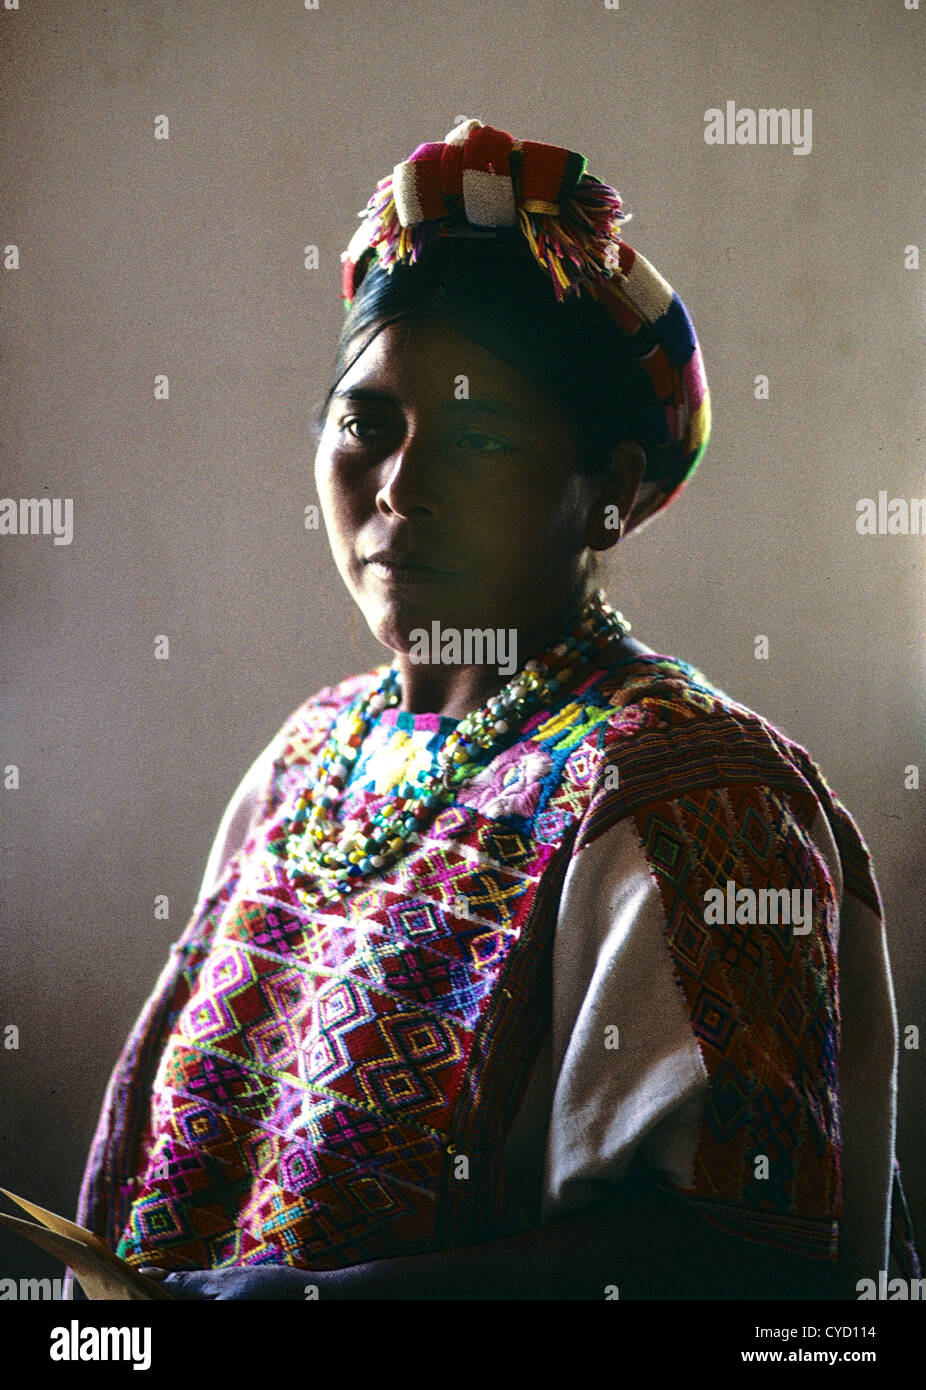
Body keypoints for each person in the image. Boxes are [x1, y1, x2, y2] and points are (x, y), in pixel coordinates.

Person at [72, 118, 919, 1300]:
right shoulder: (311, 755)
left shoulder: (692, 791)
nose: (401, 487)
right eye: (367, 422)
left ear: (607, 494)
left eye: (476, 436)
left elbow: (744, 1263)